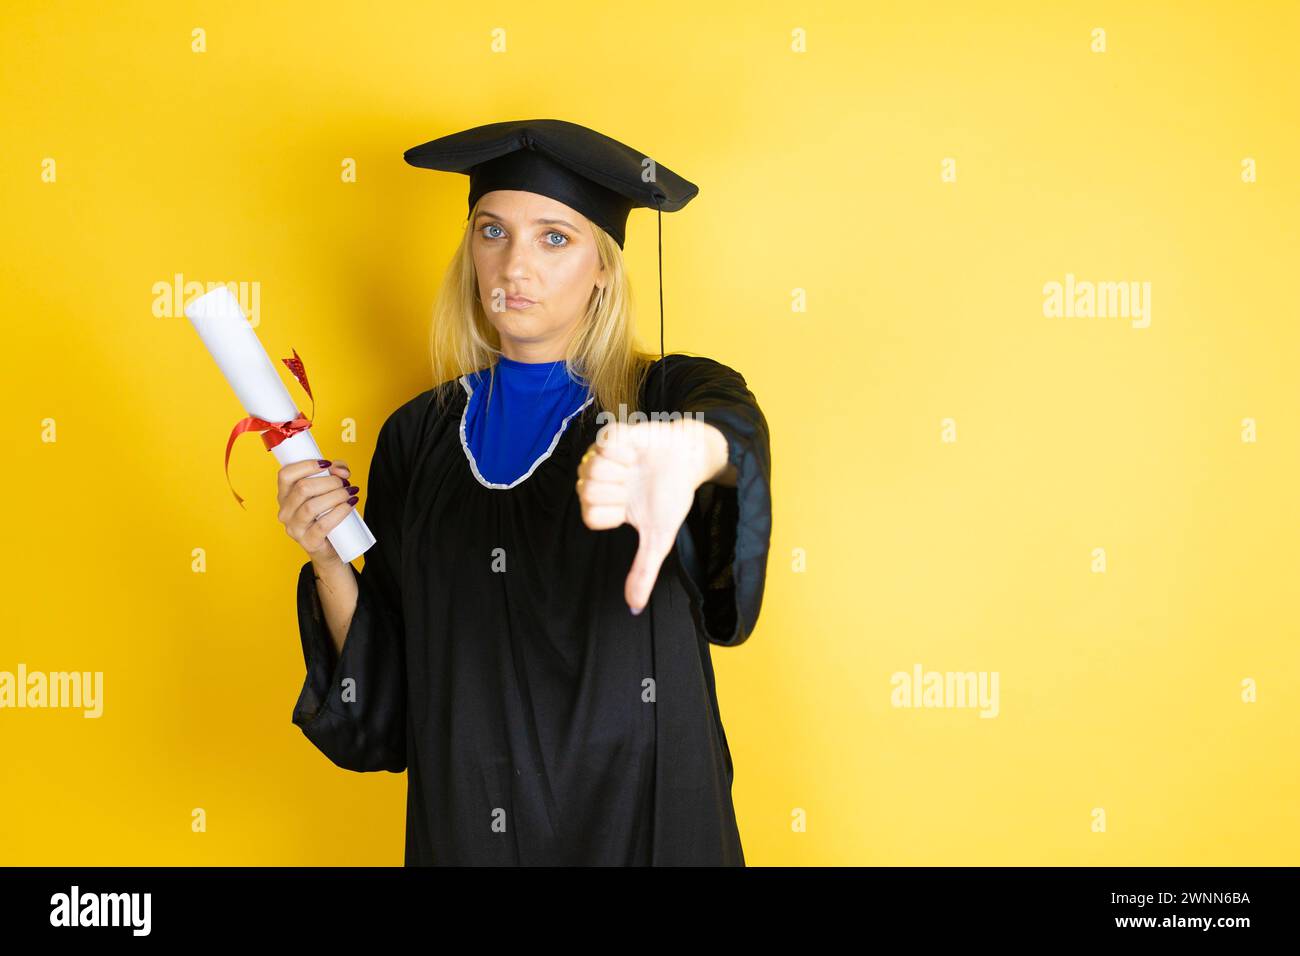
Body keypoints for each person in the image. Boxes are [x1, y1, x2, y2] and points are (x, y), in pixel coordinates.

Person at [276, 120, 773, 865]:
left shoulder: (662, 395)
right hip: (473, 827)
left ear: (602, 266)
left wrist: (691, 452)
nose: (514, 265)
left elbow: (729, 427)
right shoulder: (419, 437)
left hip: (643, 822)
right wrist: (327, 557)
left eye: (553, 238)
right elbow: (387, 698)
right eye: (492, 231)